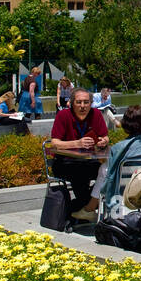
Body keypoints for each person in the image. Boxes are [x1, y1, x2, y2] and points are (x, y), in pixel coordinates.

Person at [48, 89, 110, 220]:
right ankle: (84, 208)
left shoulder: (96, 114)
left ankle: (82, 209)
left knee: (109, 173)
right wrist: (77, 143)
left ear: (91, 103)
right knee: (80, 174)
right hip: (65, 162)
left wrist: (103, 141)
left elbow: (105, 136)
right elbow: (54, 144)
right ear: (71, 103)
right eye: (79, 102)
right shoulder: (63, 115)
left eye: (86, 102)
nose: (83, 106)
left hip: (89, 161)